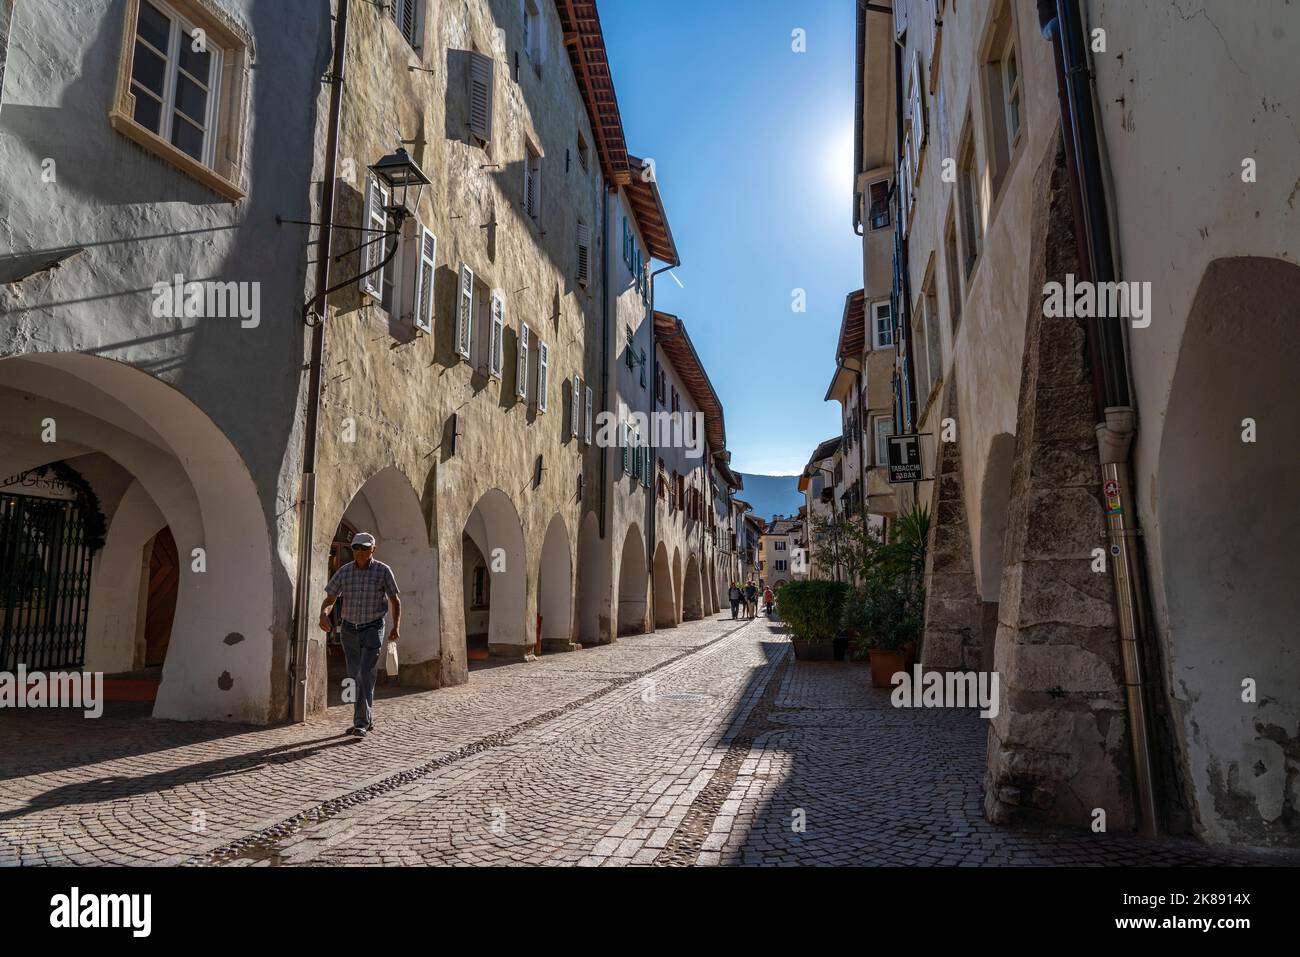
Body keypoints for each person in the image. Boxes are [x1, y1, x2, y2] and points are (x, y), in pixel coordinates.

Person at [319, 531, 401, 738]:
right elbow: (330, 599)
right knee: (356, 677)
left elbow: (395, 600)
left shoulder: (383, 571)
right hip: (348, 630)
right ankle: (366, 719)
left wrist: (395, 626)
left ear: (373, 549)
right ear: (352, 549)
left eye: (365, 548)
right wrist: (323, 615)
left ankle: (360, 723)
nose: (360, 552)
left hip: (373, 628)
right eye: (356, 548)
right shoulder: (345, 572)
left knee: (364, 673)